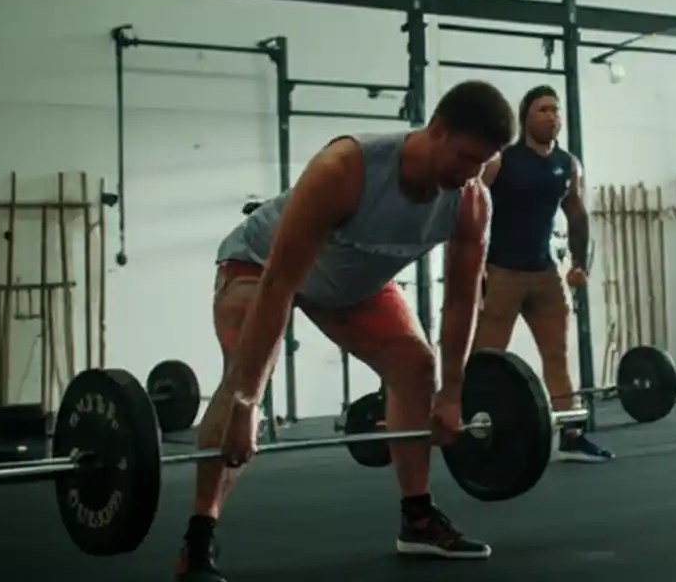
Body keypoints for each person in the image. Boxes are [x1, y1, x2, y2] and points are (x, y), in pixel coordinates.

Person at [175, 80, 515, 581]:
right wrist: (249, 400)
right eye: (465, 158)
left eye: (481, 164)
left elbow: (463, 299)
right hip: (261, 266)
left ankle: (417, 518)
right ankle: (198, 540)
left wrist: (453, 391)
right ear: (436, 130)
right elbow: (280, 284)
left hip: (353, 282)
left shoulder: (471, 200)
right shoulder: (346, 169)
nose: (470, 174)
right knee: (242, 380)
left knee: (414, 366)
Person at [472, 85, 613, 463]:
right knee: (487, 359)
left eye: (556, 109)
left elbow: (577, 214)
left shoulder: (567, 165)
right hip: (500, 271)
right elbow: (470, 208)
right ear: (526, 117)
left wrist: (580, 264)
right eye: (543, 109)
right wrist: (474, 267)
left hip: (543, 273)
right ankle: (472, 430)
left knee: (557, 356)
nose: (552, 116)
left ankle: (570, 434)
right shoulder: (501, 160)